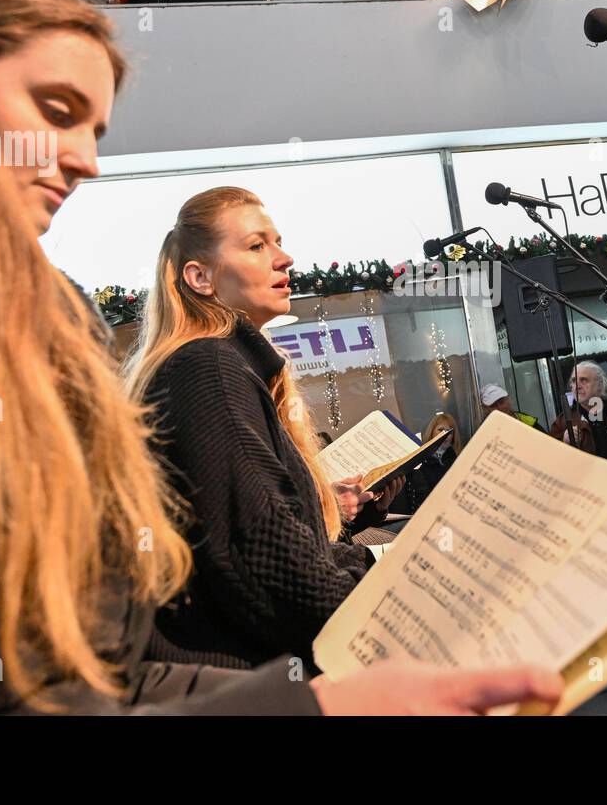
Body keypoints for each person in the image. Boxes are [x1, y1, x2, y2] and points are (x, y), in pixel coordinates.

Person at [0, 0, 560, 715]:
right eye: (56, 109)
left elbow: (103, 674)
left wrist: (325, 703)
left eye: (94, 130)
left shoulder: (42, 327)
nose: (85, 161)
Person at [123, 187, 410, 669]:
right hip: (245, 679)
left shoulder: (223, 365)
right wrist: (404, 600)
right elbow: (274, 568)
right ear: (200, 277)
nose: (285, 258)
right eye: (257, 246)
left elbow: (278, 541)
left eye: (278, 242)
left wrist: (374, 561)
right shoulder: (207, 367)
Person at [550, 361, 607, 465]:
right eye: (573, 381)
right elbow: (551, 459)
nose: (577, 386)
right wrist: (564, 442)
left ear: (599, 384)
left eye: (584, 380)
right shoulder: (563, 421)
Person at [391, 413, 460, 516]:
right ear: (431, 432)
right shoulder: (420, 460)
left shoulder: (456, 459)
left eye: (450, 431)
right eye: (441, 430)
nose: (446, 434)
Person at [480, 383, 545, 432]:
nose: (500, 407)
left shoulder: (526, 420)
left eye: (502, 402)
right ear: (485, 409)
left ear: (510, 399)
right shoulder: (483, 431)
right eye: (493, 405)